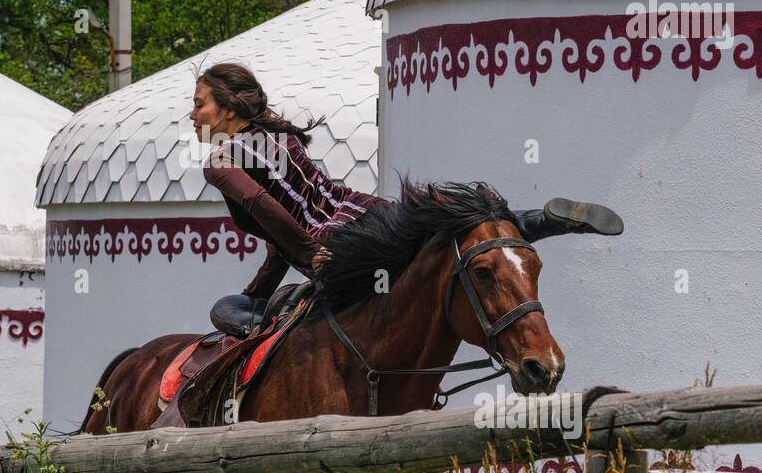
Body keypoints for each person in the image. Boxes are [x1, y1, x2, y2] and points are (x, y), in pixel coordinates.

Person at [191, 61, 622, 334]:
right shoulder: (277, 137)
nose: (192, 116)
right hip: (360, 208)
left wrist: (309, 252)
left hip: (333, 243)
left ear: (228, 110)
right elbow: (284, 220)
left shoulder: (222, 160)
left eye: (199, 105)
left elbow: (265, 210)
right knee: (449, 226)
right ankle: (539, 221)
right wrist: (262, 287)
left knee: (236, 314)